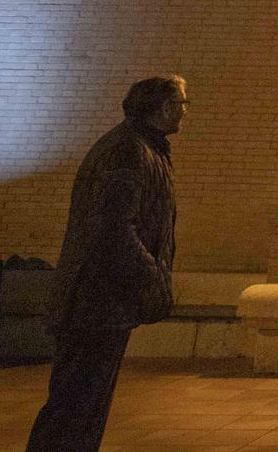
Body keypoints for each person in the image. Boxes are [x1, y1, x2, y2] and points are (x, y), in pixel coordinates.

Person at [26, 75, 186, 452]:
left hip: (104, 302)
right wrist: (154, 279)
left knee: (84, 407)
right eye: (181, 104)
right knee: (74, 408)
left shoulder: (142, 148)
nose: (184, 112)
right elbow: (114, 231)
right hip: (95, 301)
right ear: (163, 108)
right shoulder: (127, 152)